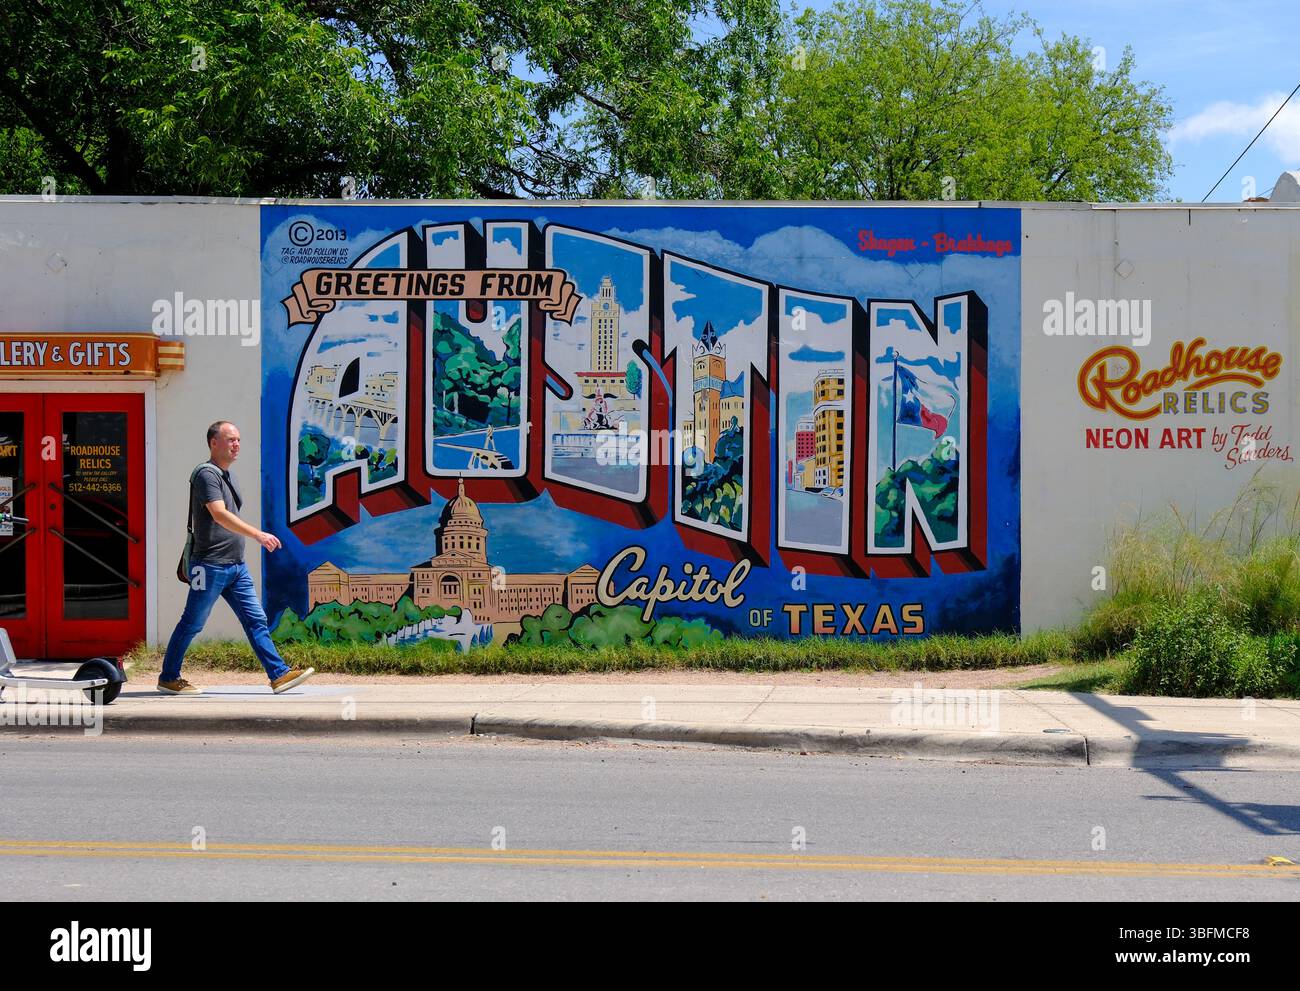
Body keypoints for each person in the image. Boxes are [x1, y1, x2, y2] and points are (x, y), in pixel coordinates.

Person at [159, 421, 314, 695]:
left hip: (235, 567)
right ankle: (169, 676)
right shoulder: (207, 475)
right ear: (213, 443)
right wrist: (257, 534)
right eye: (230, 439)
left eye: (239, 440)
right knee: (192, 623)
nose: (236, 445)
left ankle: (278, 675)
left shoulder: (227, 475)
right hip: (208, 566)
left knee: (256, 621)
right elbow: (218, 514)